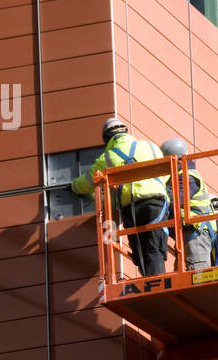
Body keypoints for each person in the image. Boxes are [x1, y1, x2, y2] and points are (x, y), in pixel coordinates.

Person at [71, 117, 168, 276]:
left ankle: (150, 283)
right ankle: (156, 282)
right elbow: (165, 172)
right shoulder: (150, 146)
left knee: (140, 250)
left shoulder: (107, 157)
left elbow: (88, 181)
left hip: (132, 207)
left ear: (107, 139)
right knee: (154, 246)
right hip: (156, 202)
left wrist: (73, 187)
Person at [161, 137, 216, 271]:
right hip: (190, 233)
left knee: (198, 278)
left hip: (195, 233)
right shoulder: (185, 175)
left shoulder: (185, 177)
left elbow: (172, 201)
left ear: (178, 160)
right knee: (182, 278)